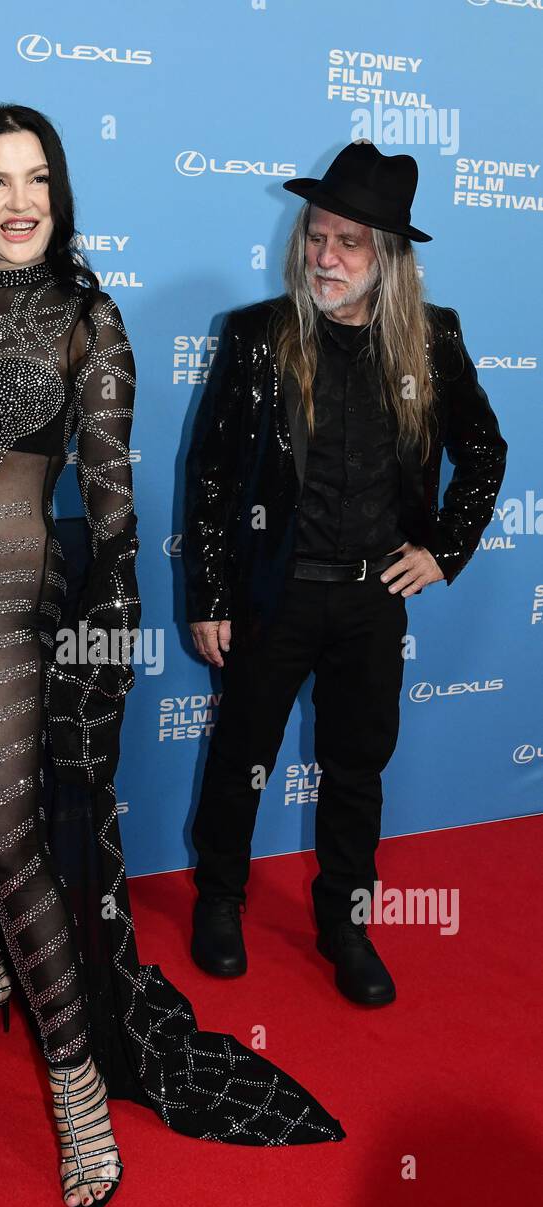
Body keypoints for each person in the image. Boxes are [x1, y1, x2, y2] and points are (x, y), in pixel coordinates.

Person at [0, 103, 346, 1207]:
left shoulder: (89, 322)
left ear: (58, 196)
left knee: (12, 839)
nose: (17, 202)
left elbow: (114, 519)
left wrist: (100, 660)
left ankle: (72, 1081)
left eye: (35, 180)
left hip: (4, 607)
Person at [184, 140, 507, 1003]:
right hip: (274, 596)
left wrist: (445, 548)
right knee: (240, 756)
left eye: (350, 243)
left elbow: (485, 453)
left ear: (389, 258)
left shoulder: (432, 342)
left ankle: (344, 923)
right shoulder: (259, 337)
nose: (327, 257)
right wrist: (211, 595)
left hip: (372, 601)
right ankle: (219, 900)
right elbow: (212, 475)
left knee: (357, 770)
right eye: (317, 237)